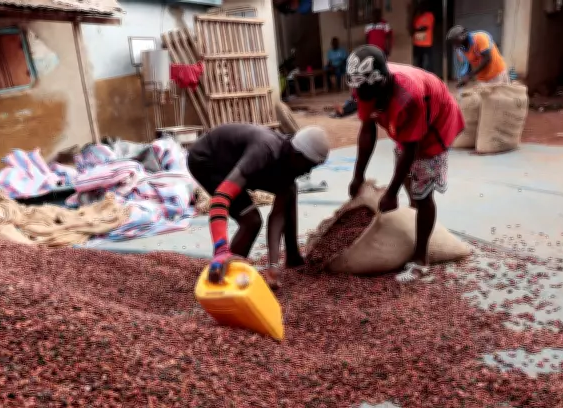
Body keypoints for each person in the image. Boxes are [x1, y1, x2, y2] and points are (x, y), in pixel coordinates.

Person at [346, 45, 465, 283]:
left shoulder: (410, 97)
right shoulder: (364, 85)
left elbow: (411, 148)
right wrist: (358, 175)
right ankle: (415, 222)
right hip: (409, 128)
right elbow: (367, 129)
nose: (365, 99)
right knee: (410, 184)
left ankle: (421, 259)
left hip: (435, 126)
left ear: (383, 83)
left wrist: (391, 193)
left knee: (423, 194)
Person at [188, 124, 329, 290]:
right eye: (308, 166)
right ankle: (224, 273)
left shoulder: (289, 162)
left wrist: (273, 266)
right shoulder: (264, 151)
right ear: (298, 156)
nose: (307, 173)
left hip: (235, 162)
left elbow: (277, 216)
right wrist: (221, 249)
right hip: (207, 160)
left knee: (289, 190)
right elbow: (221, 198)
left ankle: (292, 257)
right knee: (251, 221)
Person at [411, 4, 435, 73]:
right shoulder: (417, 17)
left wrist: (417, 29)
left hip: (426, 44)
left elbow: (425, 27)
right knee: (418, 64)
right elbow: (413, 28)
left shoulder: (429, 15)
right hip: (417, 44)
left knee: (427, 64)